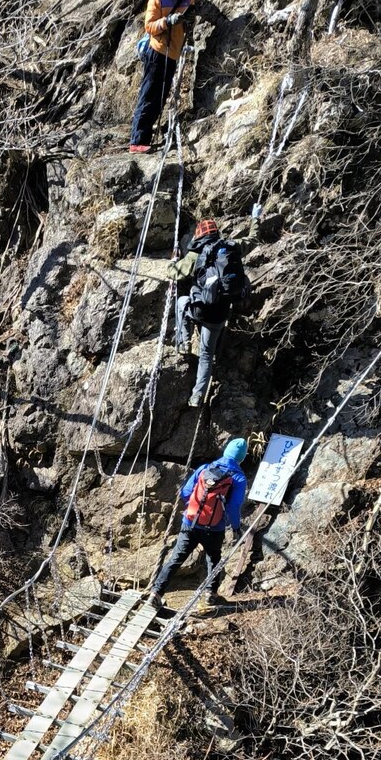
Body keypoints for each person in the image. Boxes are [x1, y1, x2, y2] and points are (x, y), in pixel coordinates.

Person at [150, 439, 248, 605]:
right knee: (213, 559)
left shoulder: (205, 468)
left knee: (176, 559)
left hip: (190, 523)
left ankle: (156, 593)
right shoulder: (238, 478)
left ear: (226, 451)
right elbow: (234, 506)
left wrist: (194, 507)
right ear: (241, 458)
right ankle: (210, 594)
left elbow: (186, 492)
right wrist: (236, 527)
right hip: (214, 527)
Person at [172, 218, 251, 408]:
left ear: (199, 233)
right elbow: (252, 240)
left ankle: (184, 342)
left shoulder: (195, 254)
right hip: (220, 313)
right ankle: (197, 396)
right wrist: (256, 219)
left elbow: (172, 273)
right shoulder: (231, 248)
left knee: (182, 301)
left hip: (200, 310)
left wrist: (174, 261)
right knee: (206, 354)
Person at [129, 0, 194, 154]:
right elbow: (149, 26)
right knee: (149, 95)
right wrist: (166, 21)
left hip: (172, 53)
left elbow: (193, 7)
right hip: (157, 52)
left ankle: (146, 138)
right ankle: (137, 142)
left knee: (160, 97)